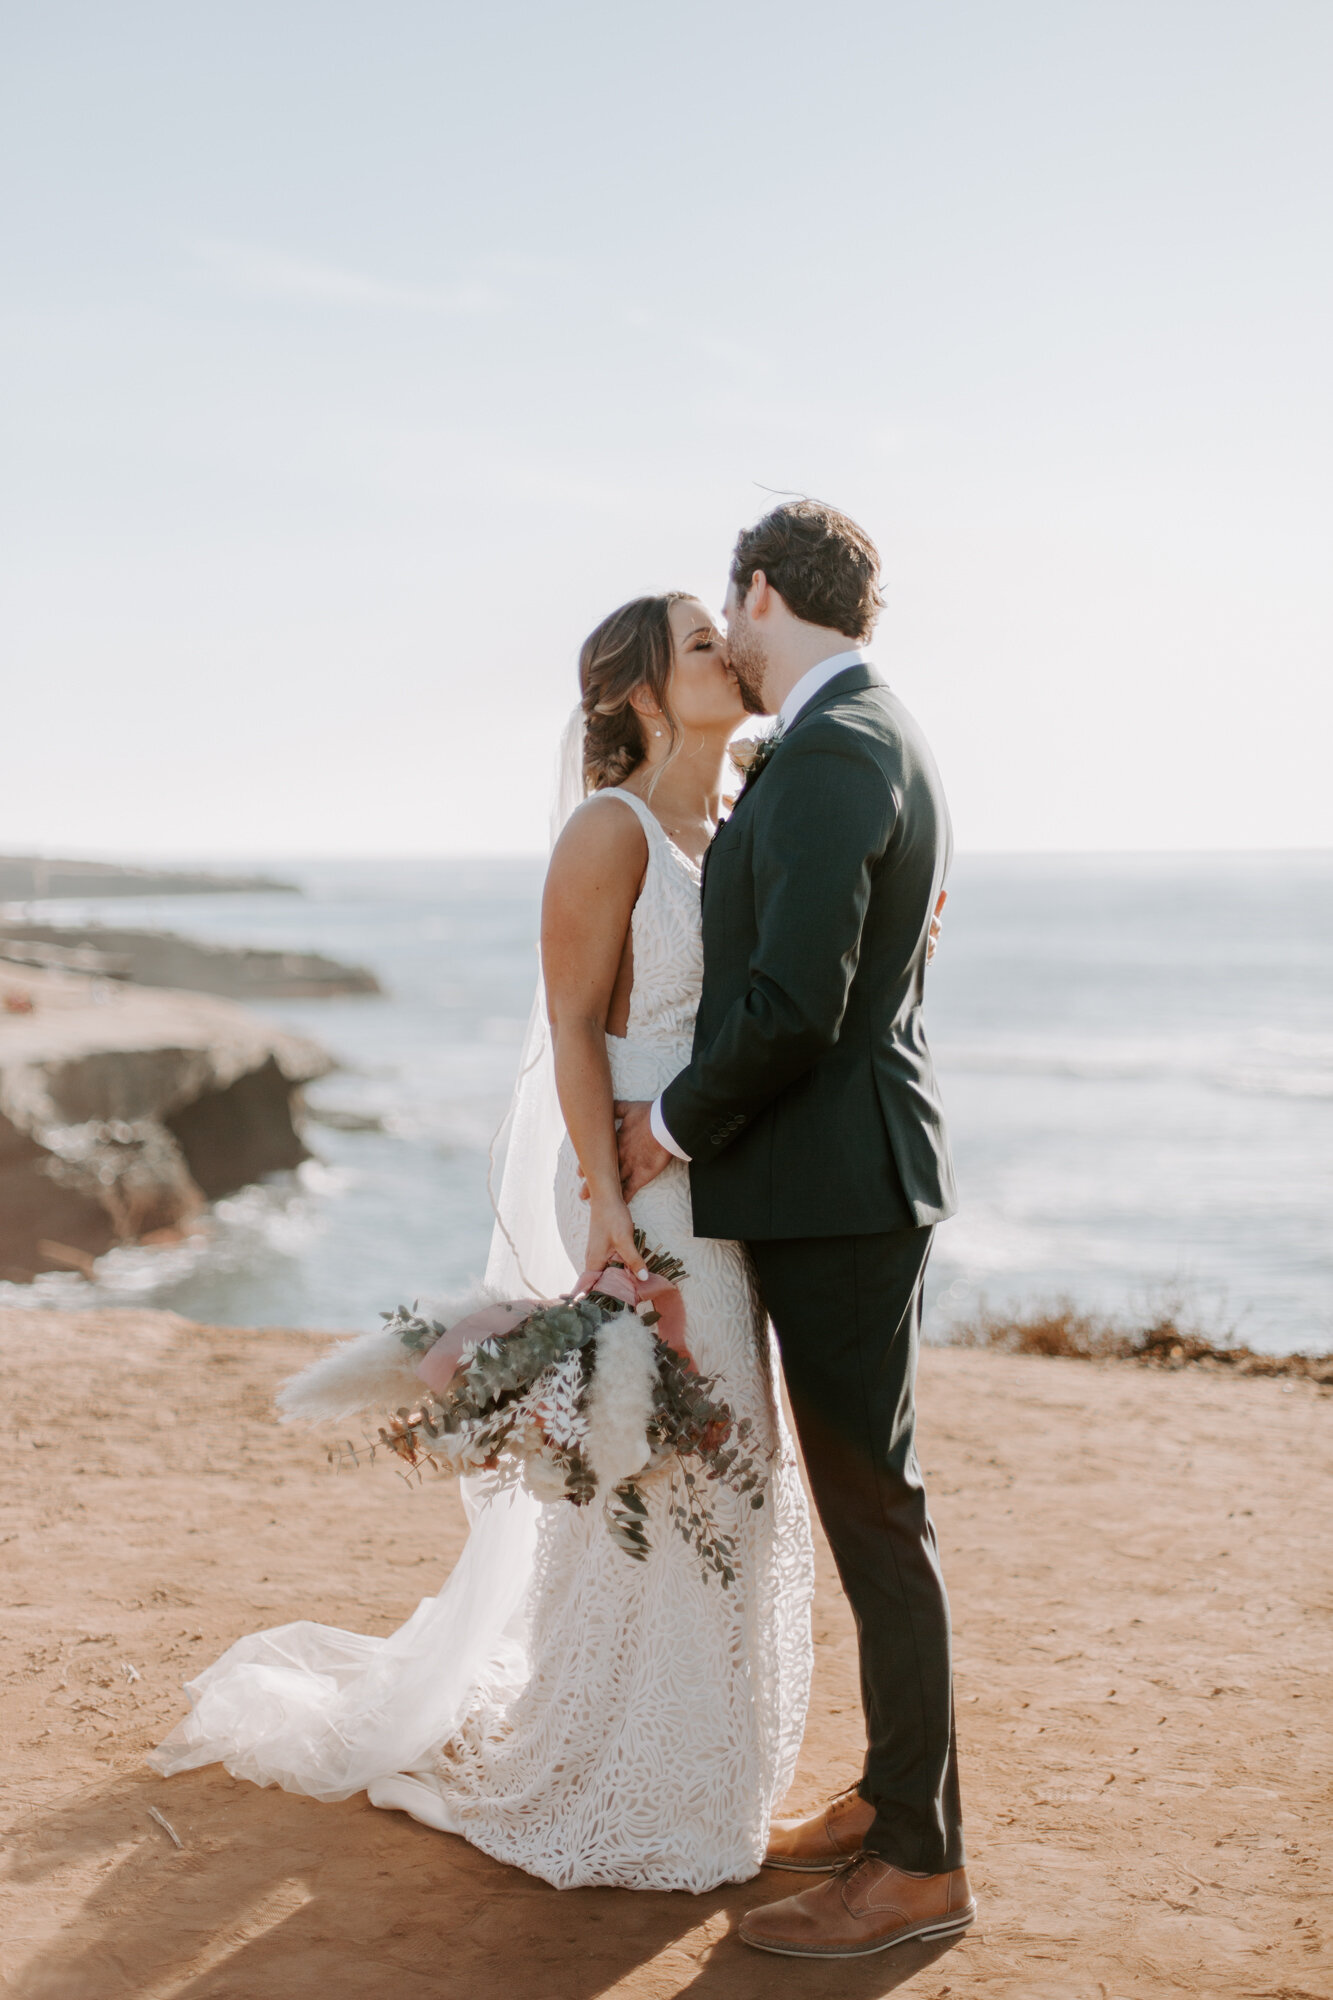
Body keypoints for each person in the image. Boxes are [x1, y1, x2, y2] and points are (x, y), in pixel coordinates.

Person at [150, 589, 816, 1895]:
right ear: (635, 692)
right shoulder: (607, 831)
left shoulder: (736, 830)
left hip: (730, 1182)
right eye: (698, 644)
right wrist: (610, 1212)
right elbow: (573, 1028)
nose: (729, 657)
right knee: (661, 1461)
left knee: (733, 1460)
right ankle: (606, 1772)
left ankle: (704, 1775)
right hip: (641, 1188)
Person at [615, 499, 974, 1959]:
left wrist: (668, 1126)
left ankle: (916, 1867)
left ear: (758, 593)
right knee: (867, 1509)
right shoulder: (865, 731)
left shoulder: (835, 748)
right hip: (838, 1179)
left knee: (876, 1518)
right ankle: (895, 1802)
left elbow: (794, 1006)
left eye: (730, 617)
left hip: (835, 1189)